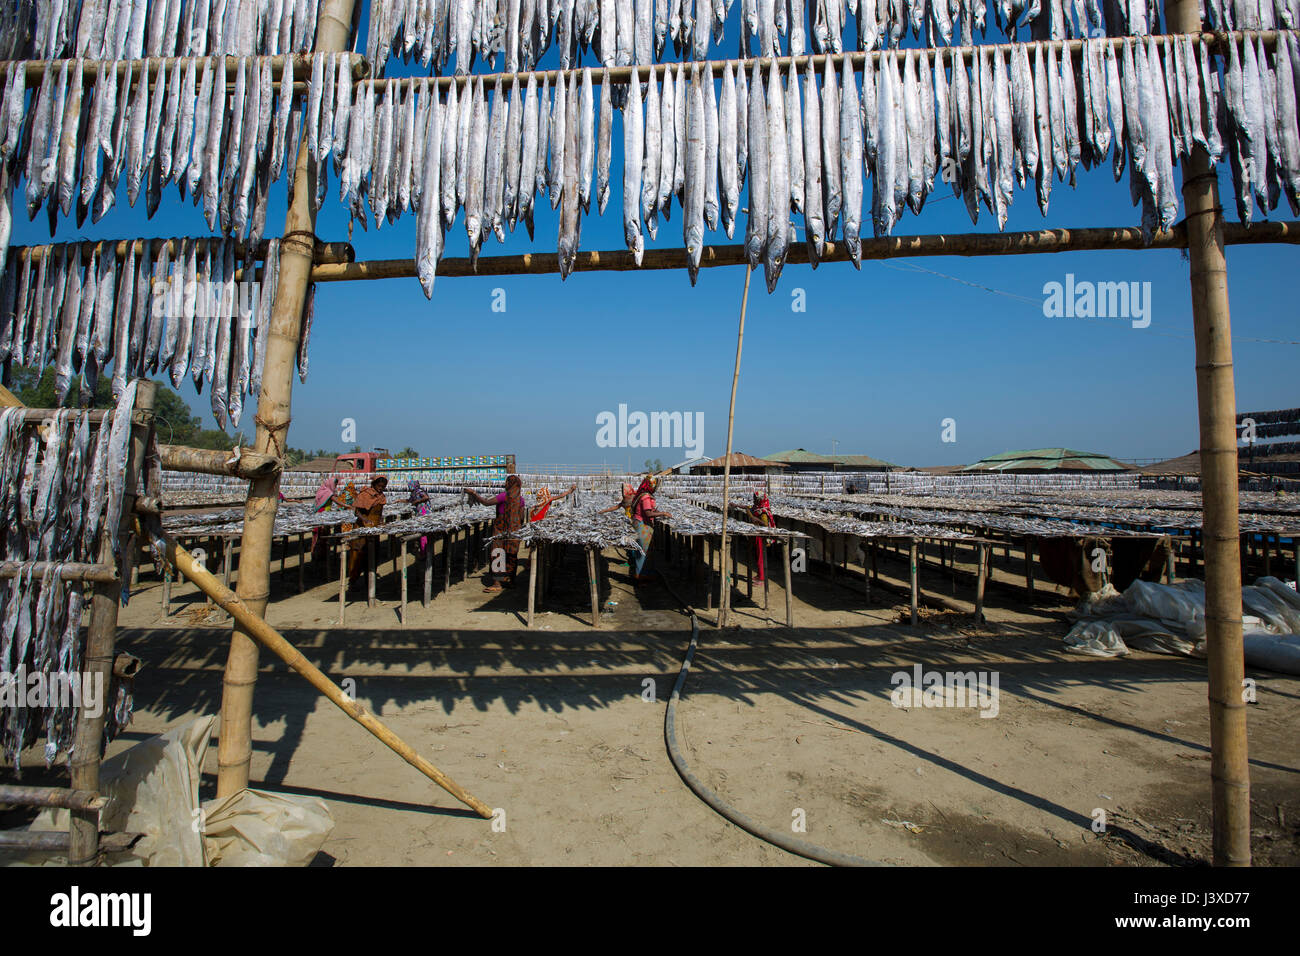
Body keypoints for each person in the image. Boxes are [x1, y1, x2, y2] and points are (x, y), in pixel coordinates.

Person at [467, 475, 528, 591]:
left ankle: (497, 583)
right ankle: (511, 581)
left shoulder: (503, 496)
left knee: (497, 553)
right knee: (512, 554)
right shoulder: (521, 499)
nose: (505, 484)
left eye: (506, 482)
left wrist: (474, 493)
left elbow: (486, 502)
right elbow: (521, 516)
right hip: (514, 531)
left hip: (500, 529)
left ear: (510, 484)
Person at [628, 477, 672, 583]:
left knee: (644, 551)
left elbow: (647, 510)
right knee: (643, 552)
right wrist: (663, 513)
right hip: (642, 525)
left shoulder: (642, 495)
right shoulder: (646, 497)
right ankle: (639, 577)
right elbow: (648, 513)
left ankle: (645, 574)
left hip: (640, 523)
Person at [347, 476, 388, 588]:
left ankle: (368, 580)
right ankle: (353, 582)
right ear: (374, 484)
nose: (380, 489)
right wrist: (365, 520)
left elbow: (379, 513)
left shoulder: (381, 497)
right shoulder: (365, 494)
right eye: (379, 486)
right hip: (362, 528)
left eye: (383, 487)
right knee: (358, 555)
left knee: (372, 554)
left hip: (373, 529)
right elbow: (357, 512)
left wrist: (380, 521)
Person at [749, 491, 774, 583]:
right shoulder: (757, 508)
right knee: (757, 555)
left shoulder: (763, 512)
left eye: (755, 498)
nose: (754, 500)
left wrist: (756, 519)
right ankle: (759, 574)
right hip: (757, 534)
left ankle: (761, 577)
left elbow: (765, 524)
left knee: (760, 556)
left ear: (759, 500)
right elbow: (748, 508)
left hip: (761, 536)